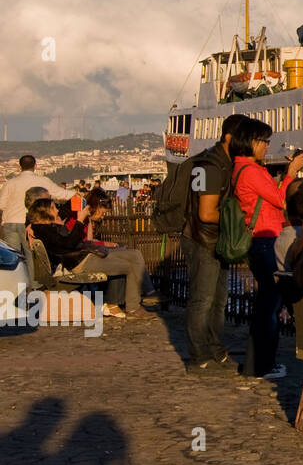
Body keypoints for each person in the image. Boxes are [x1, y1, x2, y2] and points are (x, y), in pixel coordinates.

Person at [231, 118, 303, 378]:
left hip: (261, 239)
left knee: (266, 304)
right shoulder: (251, 171)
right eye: (264, 141)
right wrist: (291, 173)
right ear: (251, 142)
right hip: (265, 239)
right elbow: (279, 198)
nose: (266, 146)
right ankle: (263, 365)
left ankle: (256, 363)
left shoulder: (243, 168)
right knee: (270, 305)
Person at [184, 114, 253, 376]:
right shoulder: (211, 164)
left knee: (218, 300)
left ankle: (214, 349)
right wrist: (240, 222)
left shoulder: (223, 162)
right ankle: (198, 356)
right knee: (203, 300)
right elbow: (206, 213)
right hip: (202, 239)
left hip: (216, 239)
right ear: (229, 138)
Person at [27, 197, 156, 320]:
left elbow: (67, 239)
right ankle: (133, 308)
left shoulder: (46, 227)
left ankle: (149, 292)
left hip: (86, 254)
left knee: (134, 254)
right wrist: (80, 220)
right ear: (45, 212)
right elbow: (69, 244)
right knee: (128, 267)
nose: (57, 210)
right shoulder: (43, 229)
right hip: (81, 262)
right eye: (53, 208)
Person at [0, 156, 74, 277]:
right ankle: (35, 288)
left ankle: (19, 287)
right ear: (36, 166)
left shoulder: (10, 183)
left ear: (19, 167)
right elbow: (62, 194)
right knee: (33, 258)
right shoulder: (43, 181)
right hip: (33, 222)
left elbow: (2, 204)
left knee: (13, 260)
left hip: (11, 222)